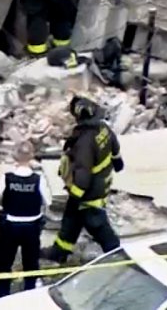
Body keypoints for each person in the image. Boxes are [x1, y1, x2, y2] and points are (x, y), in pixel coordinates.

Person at [43, 95, 123, 263]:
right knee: (71, 221)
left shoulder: (84, 141)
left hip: (89, 192)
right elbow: (115, 147)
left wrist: (76, 195)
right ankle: (60, 252)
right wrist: (118, 162)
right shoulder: (103, 129)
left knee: (96, 223)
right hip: (101, 183)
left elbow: (83, 172)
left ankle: (118, 254)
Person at [0, 141, 52, 298]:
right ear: (31, 156)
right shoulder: (38, 179)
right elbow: (48, 201)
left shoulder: (6, 178)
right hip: (32, 227)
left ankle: (2, 296)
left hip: (10, 226)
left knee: (5, 264)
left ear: (14, 155)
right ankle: (29, 296)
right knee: (31, 265)